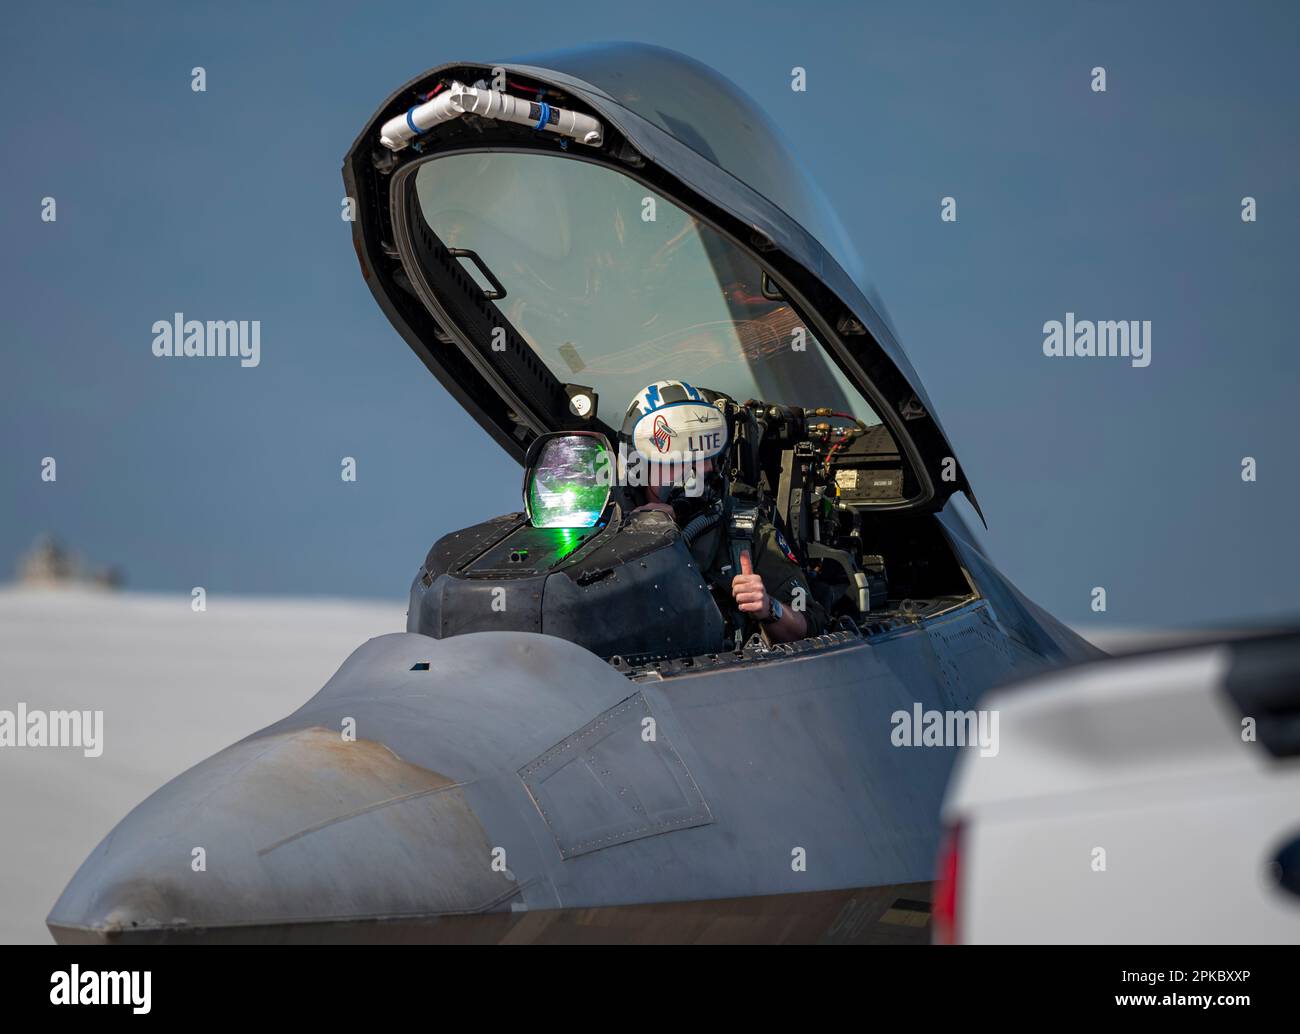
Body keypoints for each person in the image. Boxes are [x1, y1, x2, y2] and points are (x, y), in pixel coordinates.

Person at [620, 380, 828, 645]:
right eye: (676, 461)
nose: (693, 473)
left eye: (701, 458)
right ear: (639, 466)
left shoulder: (744, 529)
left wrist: (768, 608)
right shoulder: (606, 525)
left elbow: (810, 625)